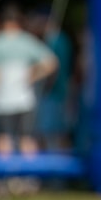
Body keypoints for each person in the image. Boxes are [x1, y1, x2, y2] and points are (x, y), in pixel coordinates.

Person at [0, 3, 58, 158]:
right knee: (27, 138)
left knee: (3, 138)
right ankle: (29, 177)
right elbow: (51, 63)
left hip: (2, 99)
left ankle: (4, 178)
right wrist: (33, 76)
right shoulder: (27, 41)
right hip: (25, 97)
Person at [27, 8, 75, 152]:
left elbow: (53, 68)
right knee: (58, 131)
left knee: (51, 132)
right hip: (62, 91)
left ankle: (55, 168)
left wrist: (47, 87)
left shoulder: (53, 41)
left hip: (53, 94)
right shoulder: (64, 39)